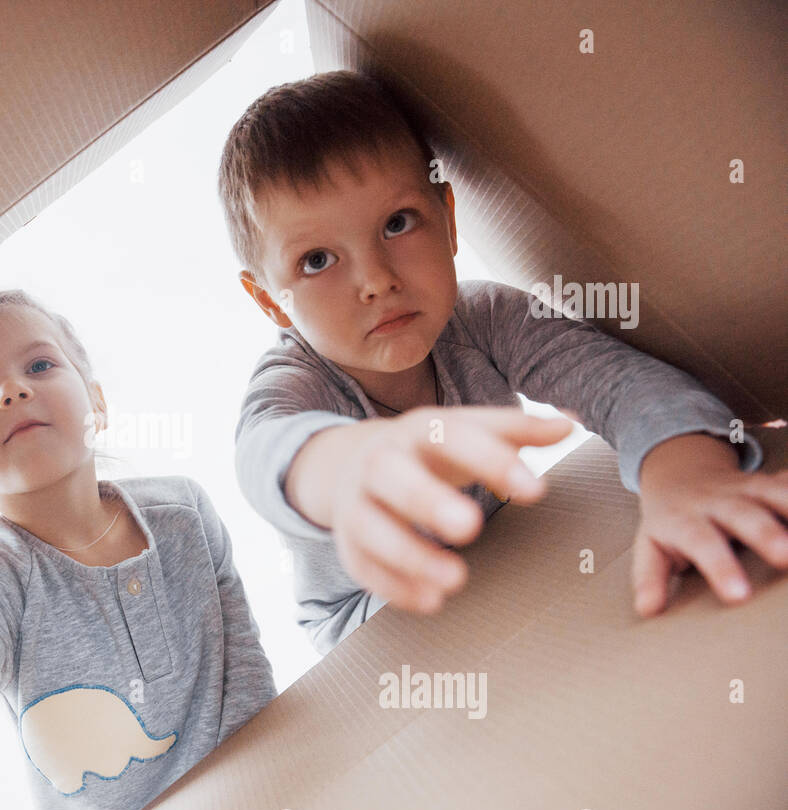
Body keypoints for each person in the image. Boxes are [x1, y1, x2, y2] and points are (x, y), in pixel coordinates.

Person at [219, 70, 783, 657]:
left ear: (449, 218)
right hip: (371, 624)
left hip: (502, 556)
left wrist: (687, 476)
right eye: (316, 260)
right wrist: (336, 463)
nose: (376, 280)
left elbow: (615, 381)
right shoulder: (294, 383)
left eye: (396, 224)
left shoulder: (482, 317)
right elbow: (262, 453)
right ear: (268, 300)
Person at [0, 289, 277, 810]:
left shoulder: (185, 514)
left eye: (39, 365)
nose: (13, 390)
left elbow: (251, 680)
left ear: (97, 404)